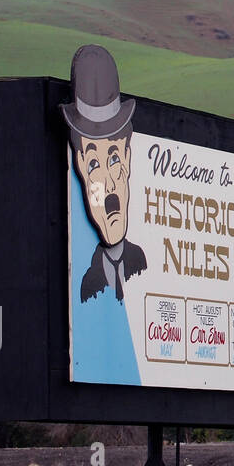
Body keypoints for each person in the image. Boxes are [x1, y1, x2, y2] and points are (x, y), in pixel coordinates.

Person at [61, 44, 147, 303]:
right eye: (94, 166)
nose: (109, 184)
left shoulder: (143, 263)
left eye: (113, 158)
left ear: (127, 158)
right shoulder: (87, 286)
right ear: (80, 165)